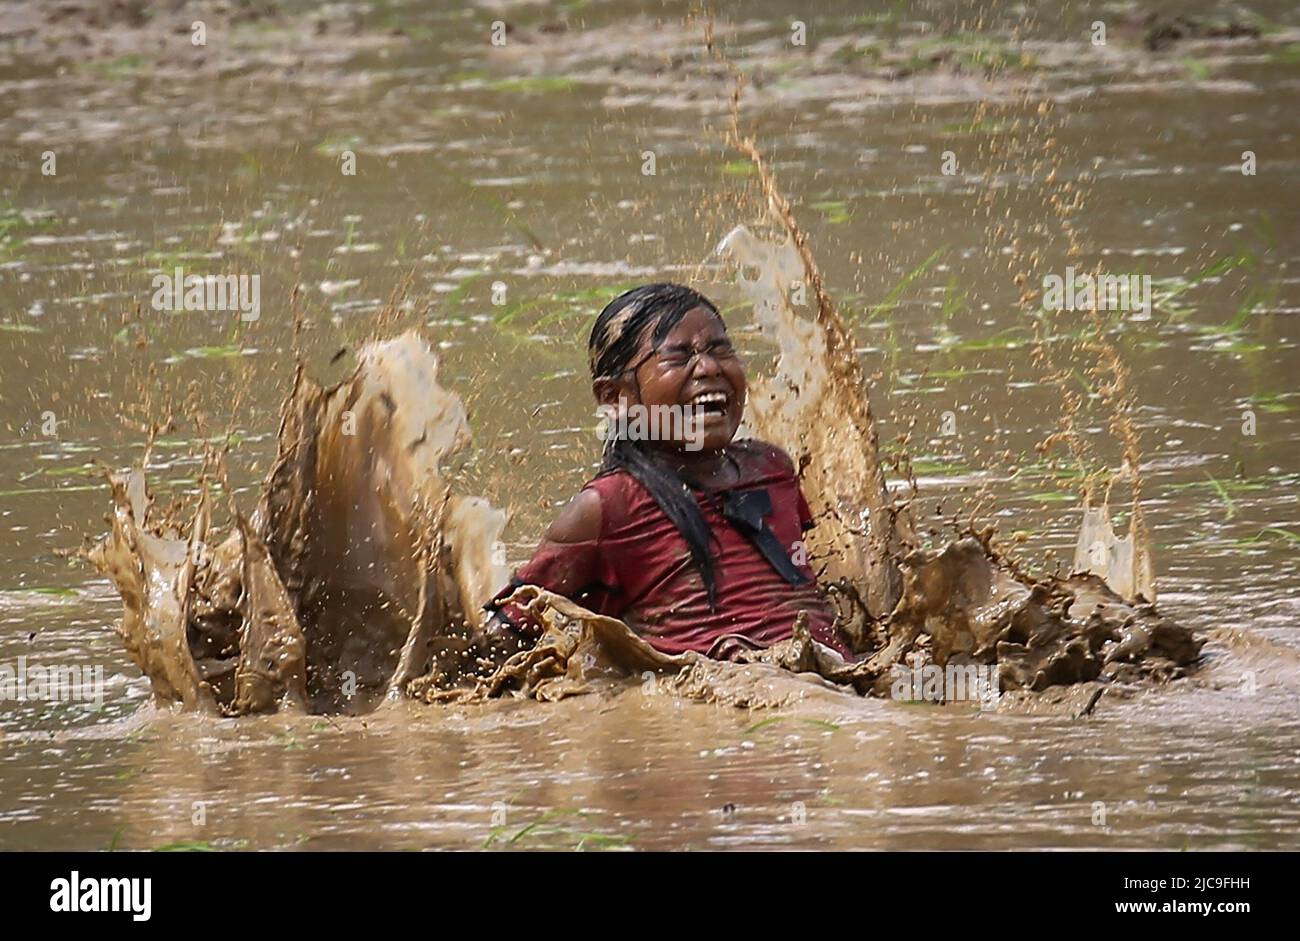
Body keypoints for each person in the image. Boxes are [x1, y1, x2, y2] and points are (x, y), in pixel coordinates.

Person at [471, 282, 849, 671]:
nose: (709, 367)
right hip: (728, 703)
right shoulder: (609, 506)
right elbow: (506, 632)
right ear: (615, 398)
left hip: (835, 679)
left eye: (721, 349)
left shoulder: (771, 469)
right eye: (678, 357)